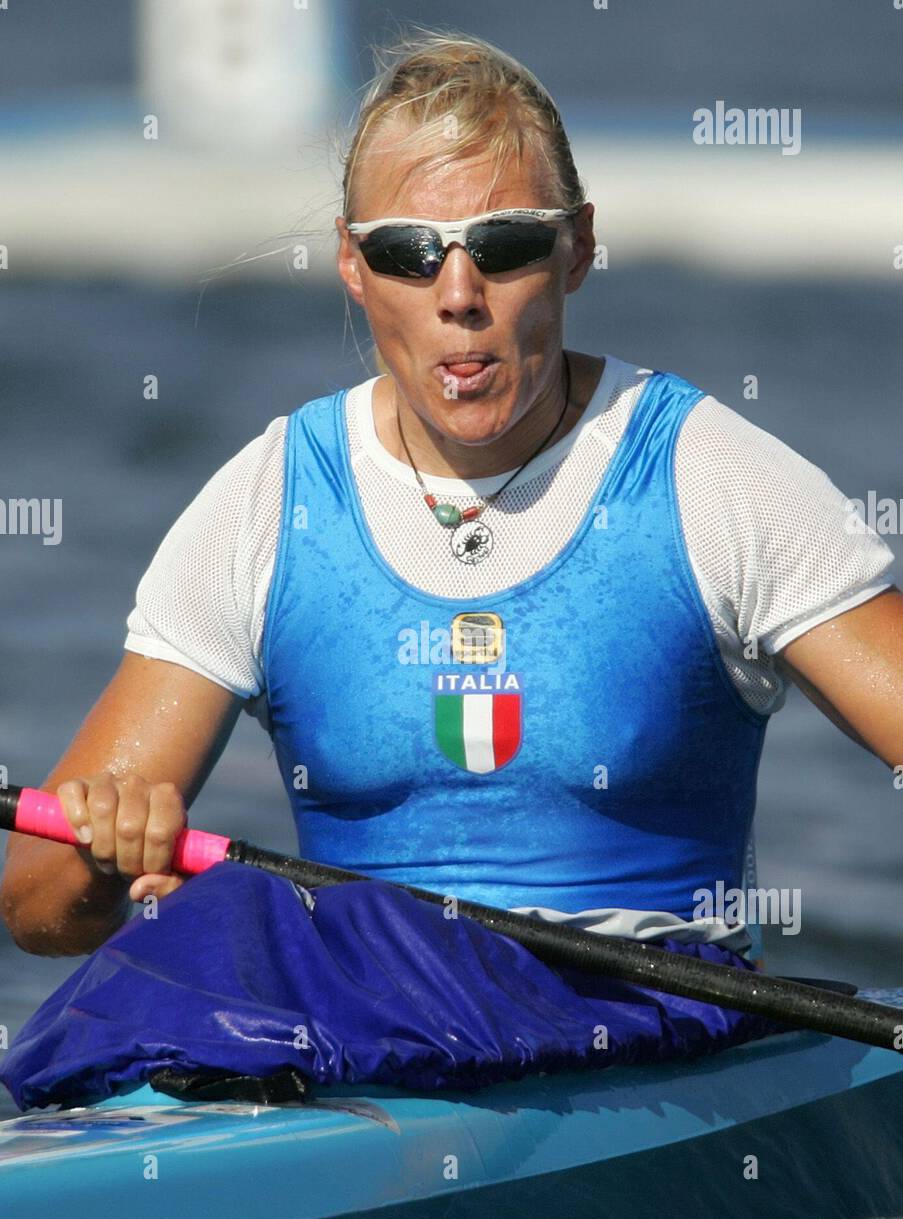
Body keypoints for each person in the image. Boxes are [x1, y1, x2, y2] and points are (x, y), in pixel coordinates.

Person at [2, 29, 900, 961]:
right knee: (203, 939)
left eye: (505, 246)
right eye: (409, 253)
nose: (458, 293)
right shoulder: (269, 501)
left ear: (578, 247)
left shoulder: (710, 477)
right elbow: (33, 907)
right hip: (368, 1027)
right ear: (352, 266)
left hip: (647, 1018)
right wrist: (102, 857)